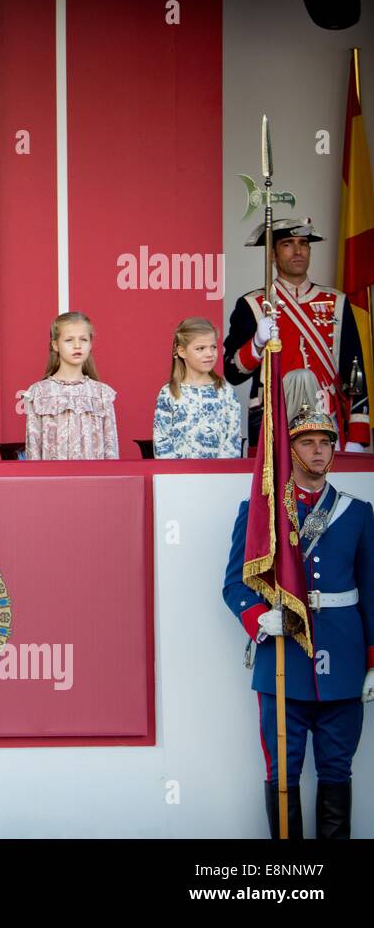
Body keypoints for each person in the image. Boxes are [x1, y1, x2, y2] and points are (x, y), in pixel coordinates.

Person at [222, 369, 374, 839]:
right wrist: (258, 617)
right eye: (307, 442)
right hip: (283, 661)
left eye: (325, 443)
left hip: (344, 662)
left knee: (336, 771)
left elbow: (370, 593)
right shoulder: (261, 512)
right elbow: (234, 584)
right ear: (289, 449)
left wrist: (372, 662)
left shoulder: (359, 513)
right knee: (282, 777)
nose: (318, 451)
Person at [223, 217, 369, 452]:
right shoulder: (253, 303)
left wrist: (358, 435)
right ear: (272, 254)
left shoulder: (336, 301)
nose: (298, 251)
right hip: (272, 419)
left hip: (327, 417)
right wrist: (256, 345)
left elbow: (355, 370)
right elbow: (233, 372)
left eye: (303, 243)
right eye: (288, 244)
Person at [22, 311, 119, 460]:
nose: (77, 345)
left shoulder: (102, 394)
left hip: (95, 481)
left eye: (84, 339)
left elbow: (111, 450)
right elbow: (33, 451)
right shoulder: (38, 393)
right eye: (69, 340)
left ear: (91, 344)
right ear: (55, 345)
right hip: (52, 480)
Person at [153, 316, 243, 459]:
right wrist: (176, 476)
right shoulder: (169, 393)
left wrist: (219, 472)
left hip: (219, 478)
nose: (209, 353)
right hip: (178, 479)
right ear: (182, 352)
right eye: (200, 348)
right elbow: (162, 441)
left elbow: (233, 440)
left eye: (213, 347)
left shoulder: (226, 391)